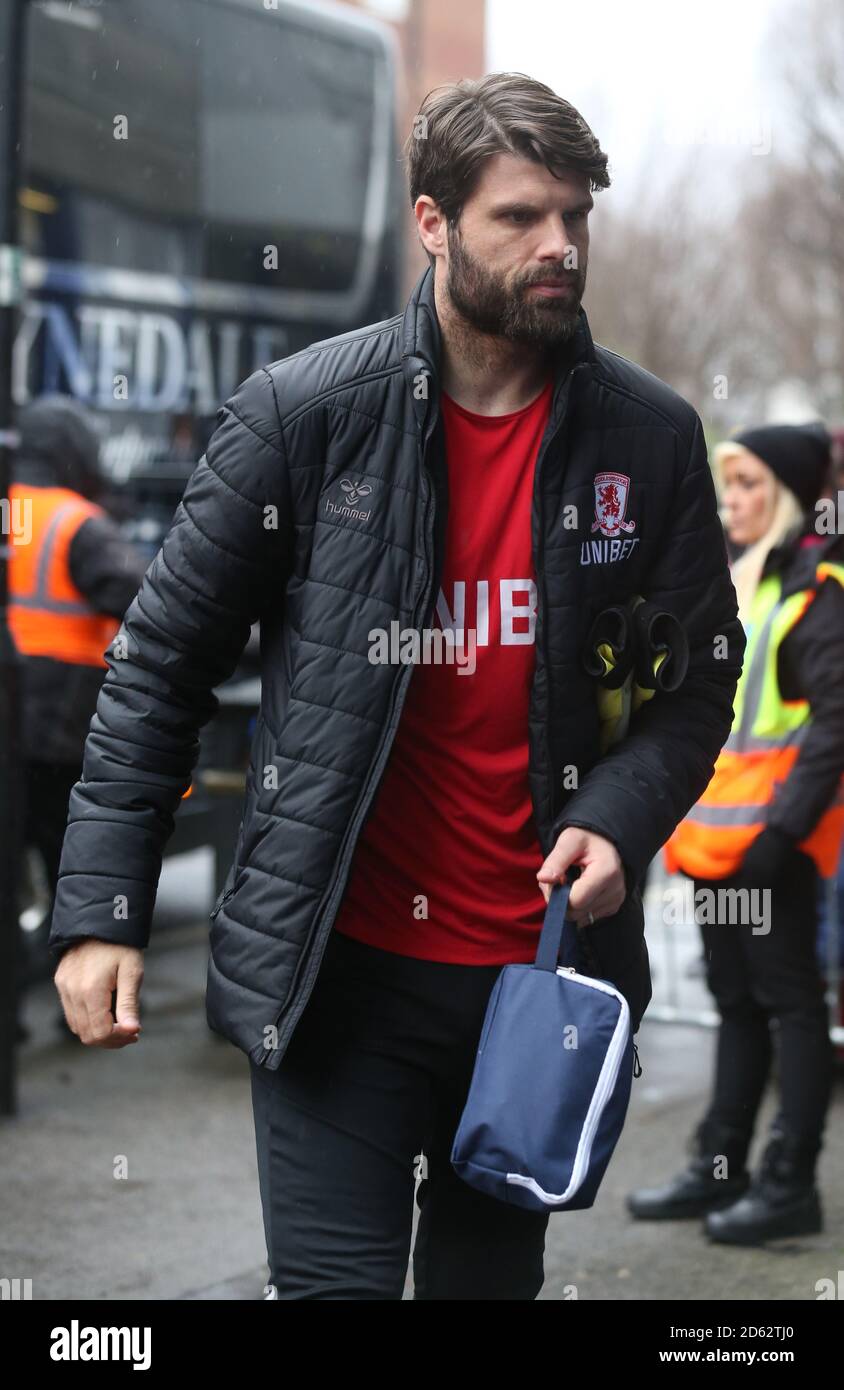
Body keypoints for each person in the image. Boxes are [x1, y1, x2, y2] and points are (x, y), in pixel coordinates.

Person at [48, 72, 744, 1300]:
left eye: (575, 218)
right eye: (519, 217)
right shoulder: (304, 414)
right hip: (338, 979)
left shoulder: (648, 435)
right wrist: (104, 907)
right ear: (432, 223)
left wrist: (618, 814)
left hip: (531, 989)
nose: (558, 248)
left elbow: (698, 687)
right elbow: (160, 661)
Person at [628, 422, 844, 1245]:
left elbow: (833, 727)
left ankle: (790, 1183)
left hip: (771, 851)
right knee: (736, 1005)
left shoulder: (815, 592)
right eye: (730, 484)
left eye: (751, 483)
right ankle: (718, 1166)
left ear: (786, 493)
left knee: (790, 1005)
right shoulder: (734, 581)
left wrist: (779, 837)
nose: (734, 499)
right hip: (714, 846)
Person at [8, 394, 147, 1002]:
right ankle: (79, 1000)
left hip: (11, 725)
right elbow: (158, 607)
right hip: (62, 731)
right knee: (71, 865)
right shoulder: (76, 523)